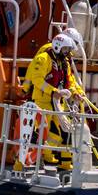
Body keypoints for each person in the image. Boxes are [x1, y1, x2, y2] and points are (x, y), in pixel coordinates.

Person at [21, 33, 86, 169]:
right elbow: (37, 79)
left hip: (58, 103)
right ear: (57, 47)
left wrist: (77, 93)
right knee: (42, 132)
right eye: (65, 50)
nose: (67, 53)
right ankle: (39, 158)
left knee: (64, 131)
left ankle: (62, 162)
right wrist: (54, 91)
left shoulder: (64, 62)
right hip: (42, 102)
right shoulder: (43, 59)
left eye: (68, 50)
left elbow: (70, 82)